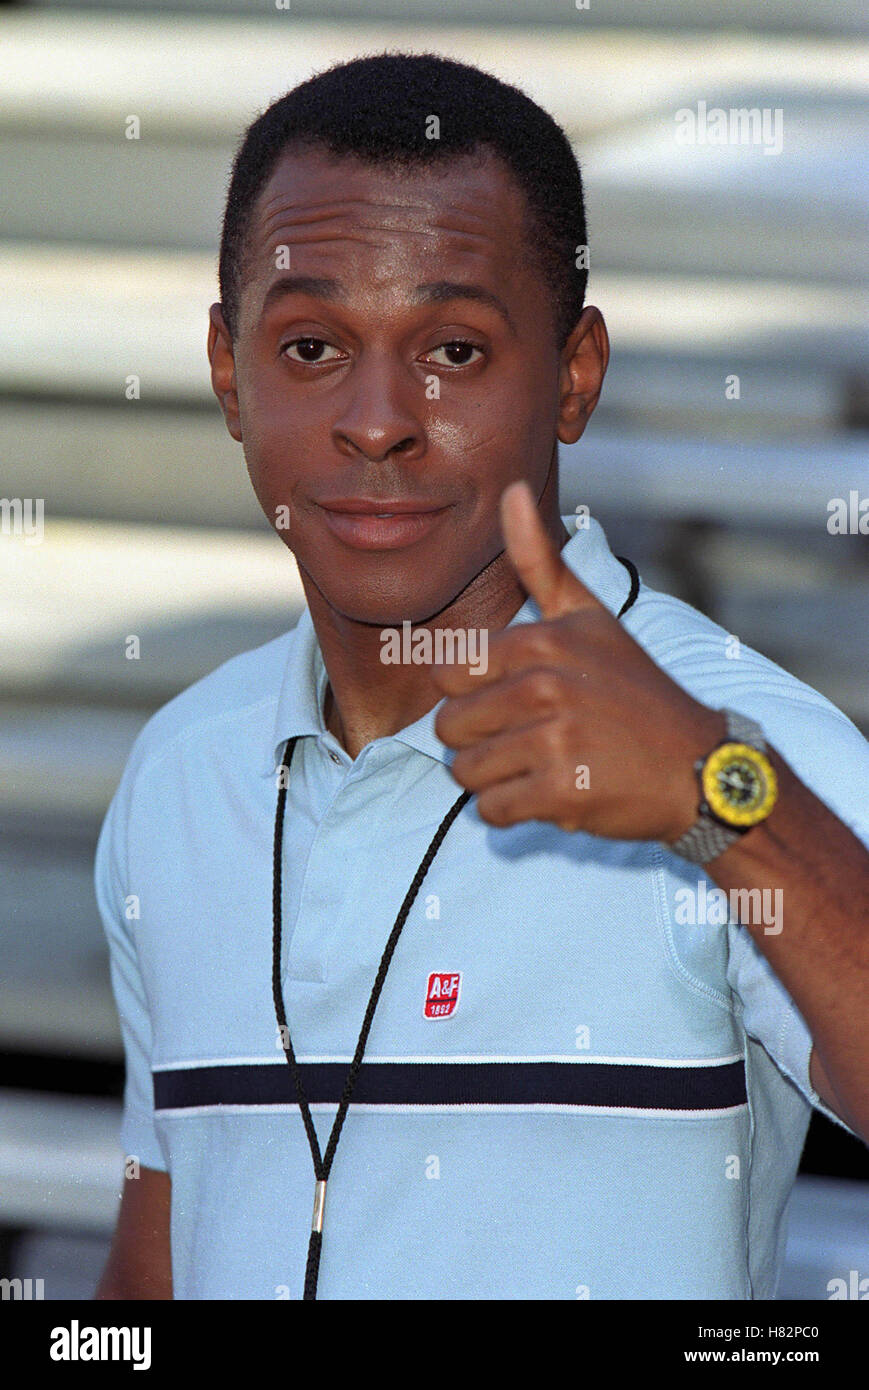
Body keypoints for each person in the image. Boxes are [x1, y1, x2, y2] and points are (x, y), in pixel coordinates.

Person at [95, 53, 868, 1300]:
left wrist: (724, 803)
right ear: (227, 374)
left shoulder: (742, 742)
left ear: (573, 376)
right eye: (308, 345)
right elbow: (151, 1275)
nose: (378, 417)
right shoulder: (181, 767)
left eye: (452, 348)